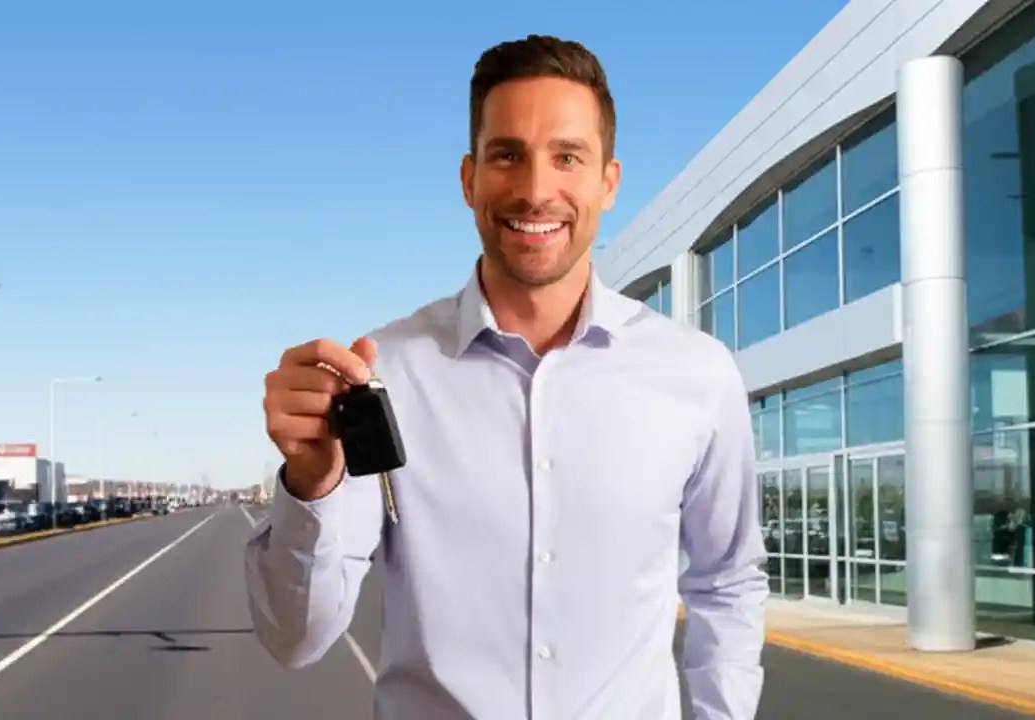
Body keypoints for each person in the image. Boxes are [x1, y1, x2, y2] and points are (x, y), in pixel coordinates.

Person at [248, 34, 768, 720]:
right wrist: (310, 487)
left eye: (567, 157)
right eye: (507, 156)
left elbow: (727, 584)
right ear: (469, 179)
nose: (534, 189)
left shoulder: (697, 375)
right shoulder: (383, 372)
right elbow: (296, 640)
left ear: (608, 181)